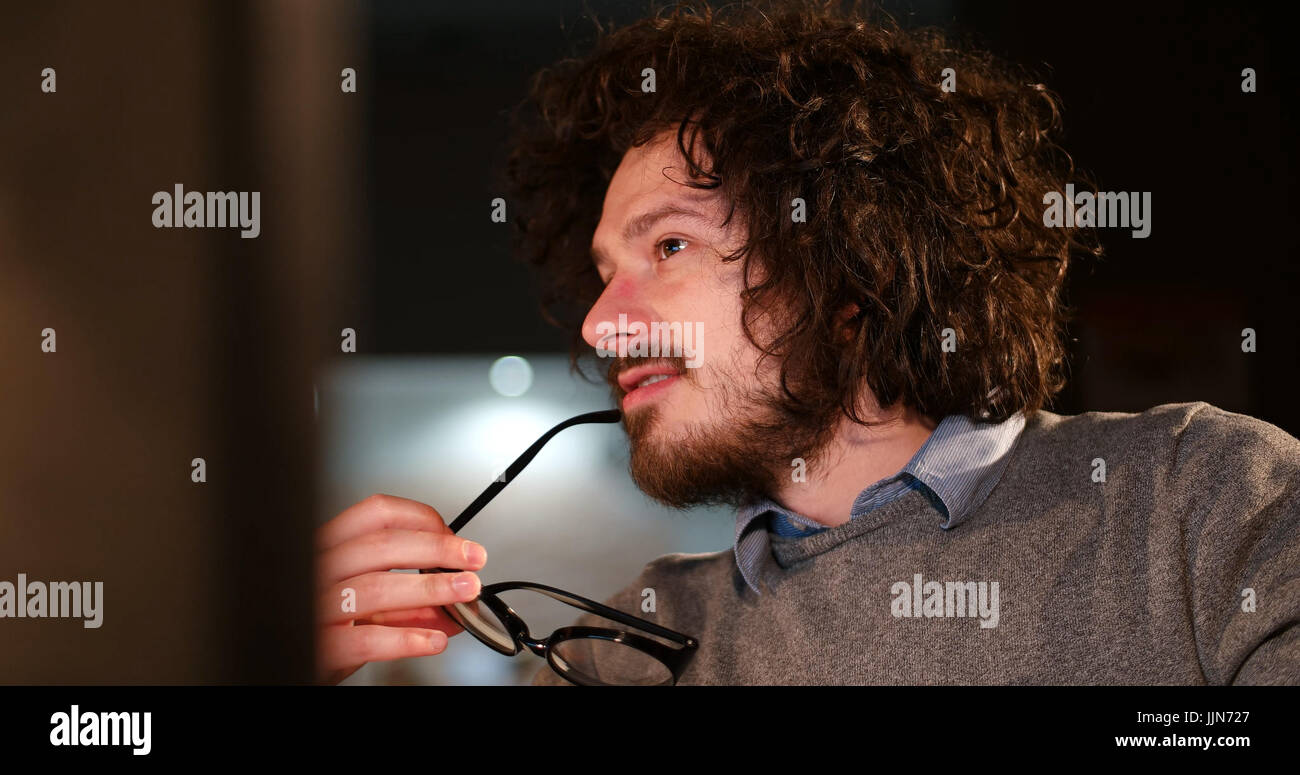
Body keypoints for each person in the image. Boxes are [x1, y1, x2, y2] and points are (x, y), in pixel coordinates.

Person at [316, 0, 1300, 685]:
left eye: (668, 243)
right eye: (603, 270)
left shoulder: (1203, 503)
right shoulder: (620, 650)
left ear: (853, 258)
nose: (598, 323)